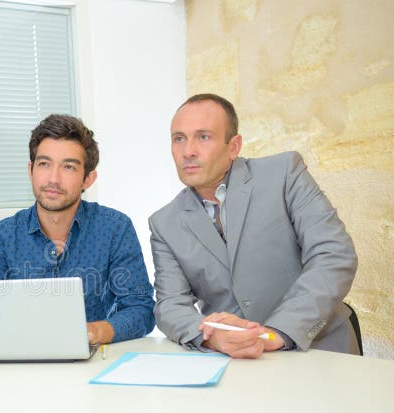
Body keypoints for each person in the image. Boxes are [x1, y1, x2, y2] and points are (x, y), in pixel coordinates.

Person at [149, 93, 359, 359]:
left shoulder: (284, 173)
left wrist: (275, 332)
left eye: (203, 137)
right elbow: (170, 305)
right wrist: (211, 338)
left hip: (320, 352)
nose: (188, 151)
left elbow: (334, 255)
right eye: (179, 138)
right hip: (236, 366)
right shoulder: (163, 223)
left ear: (234, 146)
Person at [0, 114, 155, 345]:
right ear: (30, 170)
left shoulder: (115, 227)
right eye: (44, 164)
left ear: (88, 179)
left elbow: (141, 310)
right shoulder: (3, 235)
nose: (53, 178)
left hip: (92, 362)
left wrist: (93, 332)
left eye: (68, 167)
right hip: (20, 360)